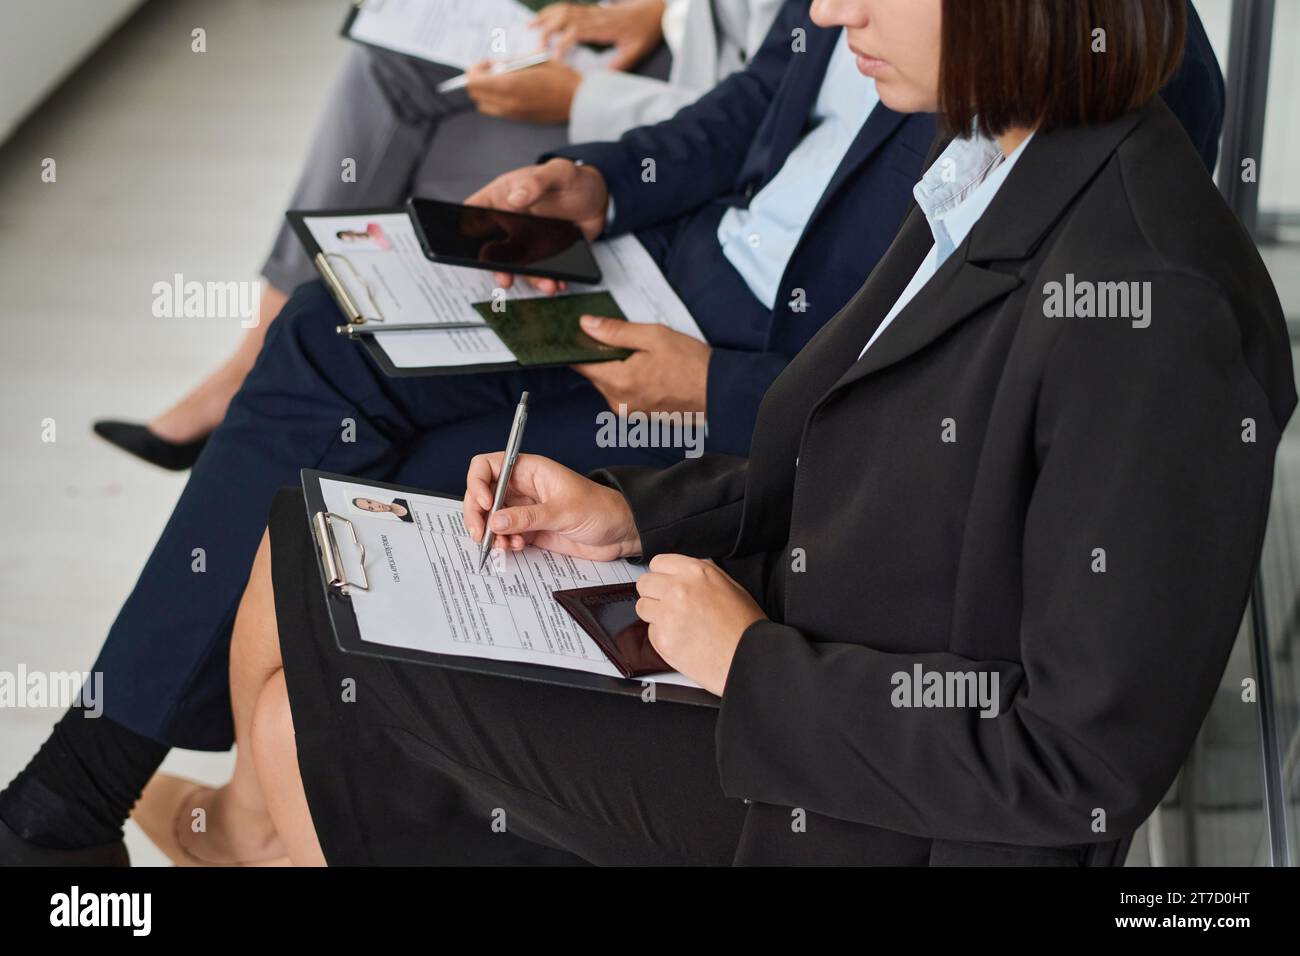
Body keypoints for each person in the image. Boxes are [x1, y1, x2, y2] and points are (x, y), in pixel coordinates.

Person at [0, 0, 1223, 866]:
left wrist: (738, 610)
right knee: (329, 362)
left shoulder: (1112, 253)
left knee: (331, 554)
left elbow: (1061, 739)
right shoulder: (981, 154)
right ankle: (113, 785)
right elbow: (875, 396)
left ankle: (216, 812)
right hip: (693, 333)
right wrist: (603, 187)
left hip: (774, 548)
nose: (834, 8)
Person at [92, 0, 784, 471]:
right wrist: (659, 9)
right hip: (678, 73)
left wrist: (577, 100)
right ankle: (257, 356)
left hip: (685, 130)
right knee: (390, 64)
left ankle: (268, 373)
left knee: (415, 162)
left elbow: (773, 107)